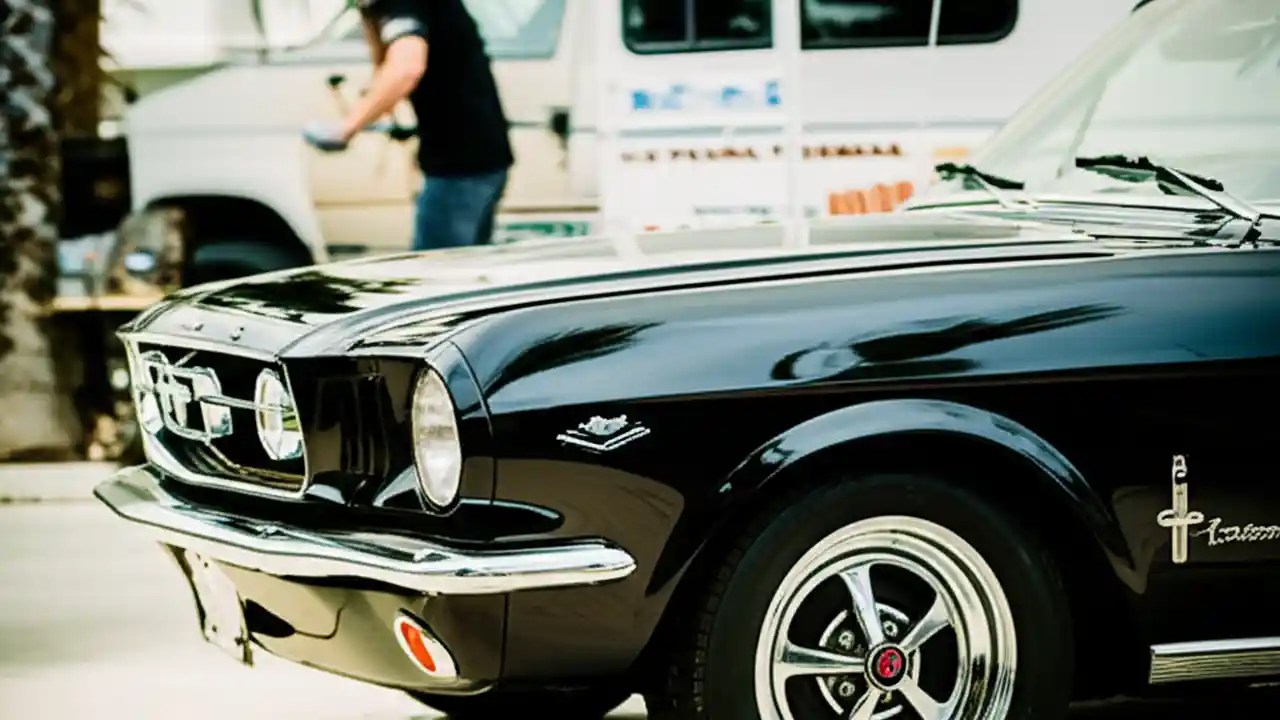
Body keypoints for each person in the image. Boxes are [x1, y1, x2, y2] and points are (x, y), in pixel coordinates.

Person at [303, 0, 514, 250]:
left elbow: (406, 68)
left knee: (435, 275)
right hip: (479, 160)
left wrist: (347, 127)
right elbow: (387, 66)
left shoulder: (405, 3)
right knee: (467, 270)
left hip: (460, 167)